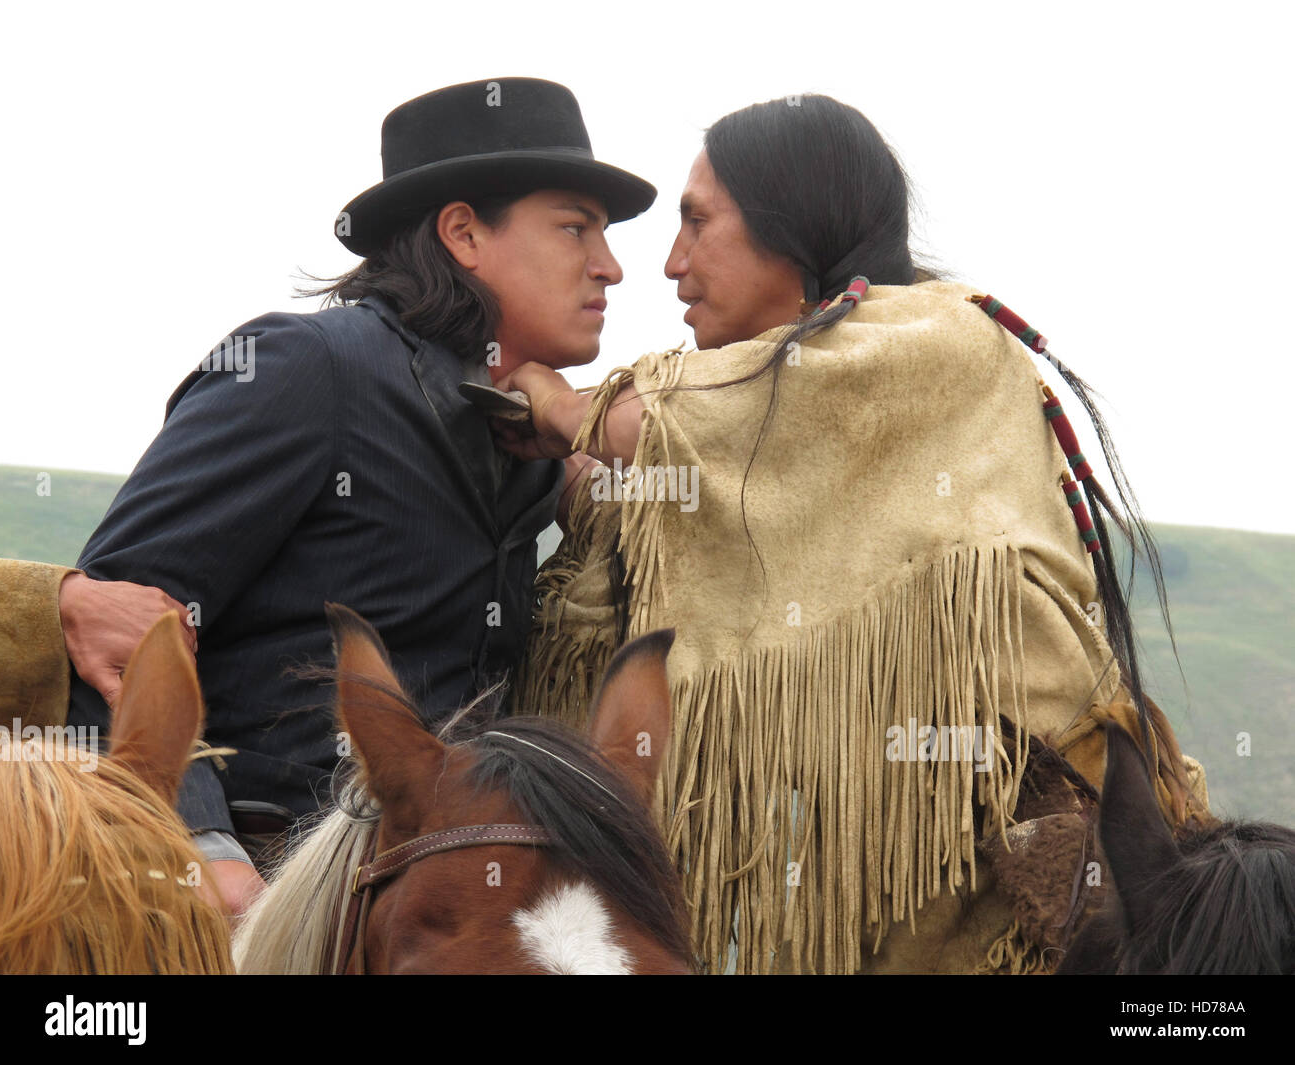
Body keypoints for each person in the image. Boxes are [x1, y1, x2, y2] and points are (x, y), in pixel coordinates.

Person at [493, 93, 1208, 973]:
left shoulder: (939, 337)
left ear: (793, 224)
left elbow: (699, 423)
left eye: (697, 222)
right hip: (894, 901)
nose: (671, 264)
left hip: (1030, 896)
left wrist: (563, 405)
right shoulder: (776, 442)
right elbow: (670, 499)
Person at [0, 77, 655, 917]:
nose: (611, 264)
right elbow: (121, 638)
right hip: (247, 887)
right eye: (575, 227)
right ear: (463, 233)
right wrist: (205, 850)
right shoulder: (307, 368)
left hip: (419, 900)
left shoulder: (528, 435)